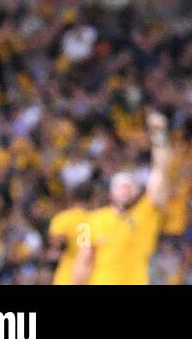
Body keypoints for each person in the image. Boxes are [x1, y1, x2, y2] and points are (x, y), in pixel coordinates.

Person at [73, 113, 172, 285]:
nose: (125, 190)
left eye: (130, 186)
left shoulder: (146, 212)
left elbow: (161, 171)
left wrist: (159, 134)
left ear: (136, 192)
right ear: (111, 193)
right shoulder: (91, 220)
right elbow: (83, 261)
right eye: (121, 186)